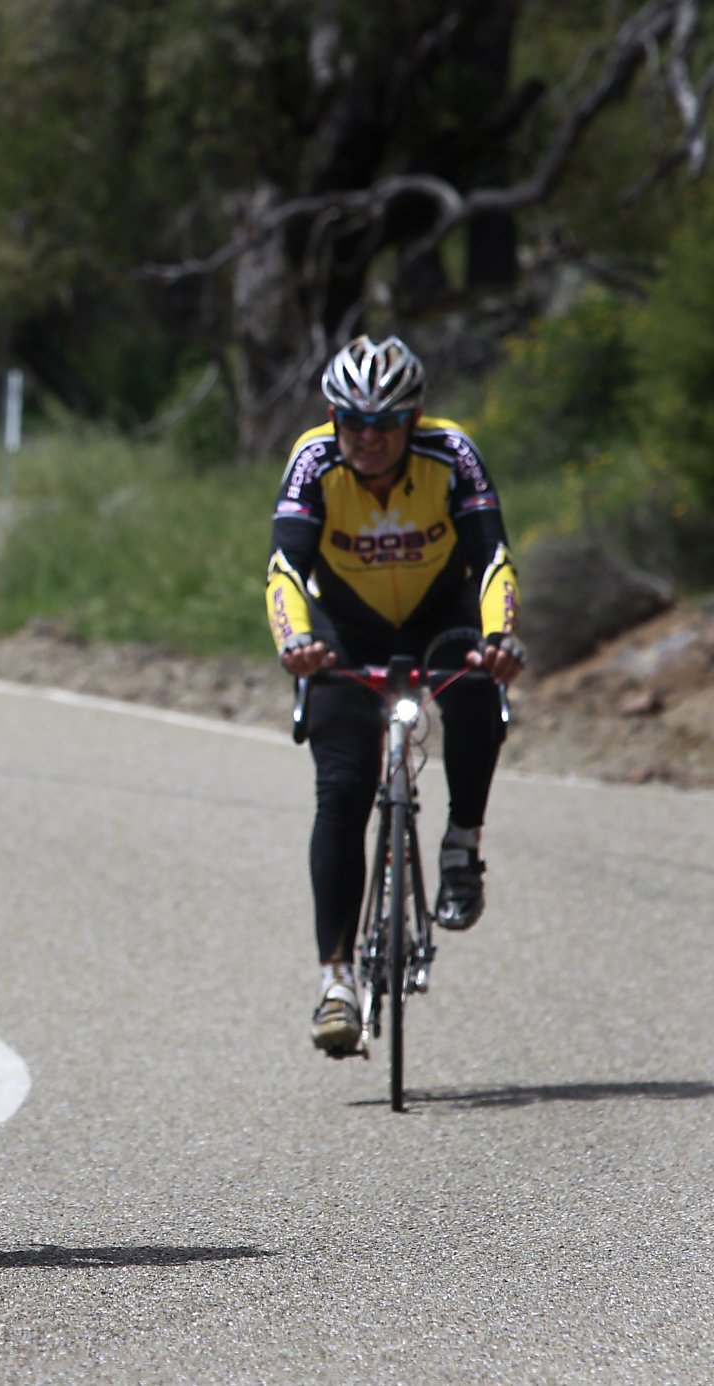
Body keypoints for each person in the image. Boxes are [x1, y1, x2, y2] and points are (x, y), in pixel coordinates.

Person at [265, 334, 526, 1056]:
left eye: (384, 423)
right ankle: (337, 983)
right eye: (353, 421)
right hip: (347, 630)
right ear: (333, 417)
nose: (369, 438)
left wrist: (499, 636)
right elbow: (285, 565)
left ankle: (461, 846)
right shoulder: (314, 460)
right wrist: (296, 643)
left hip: (442, 616)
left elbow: (493, 557)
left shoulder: (453, 454)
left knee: (476, 690)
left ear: (413, 419)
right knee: (342, 791)